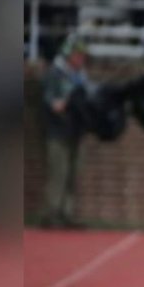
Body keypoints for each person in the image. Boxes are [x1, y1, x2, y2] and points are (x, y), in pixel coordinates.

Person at [41, 36, 91, 228]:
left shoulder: (81, 76)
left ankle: (67, 213)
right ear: (69, 55)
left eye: (83, 56)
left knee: (73, 174)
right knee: (58, 174)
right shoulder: (55, 73)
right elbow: (54, 104)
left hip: (77, 131)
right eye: (78, 55)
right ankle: (52, 214)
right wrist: (71, 98)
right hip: (58, 132)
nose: (81, 59)